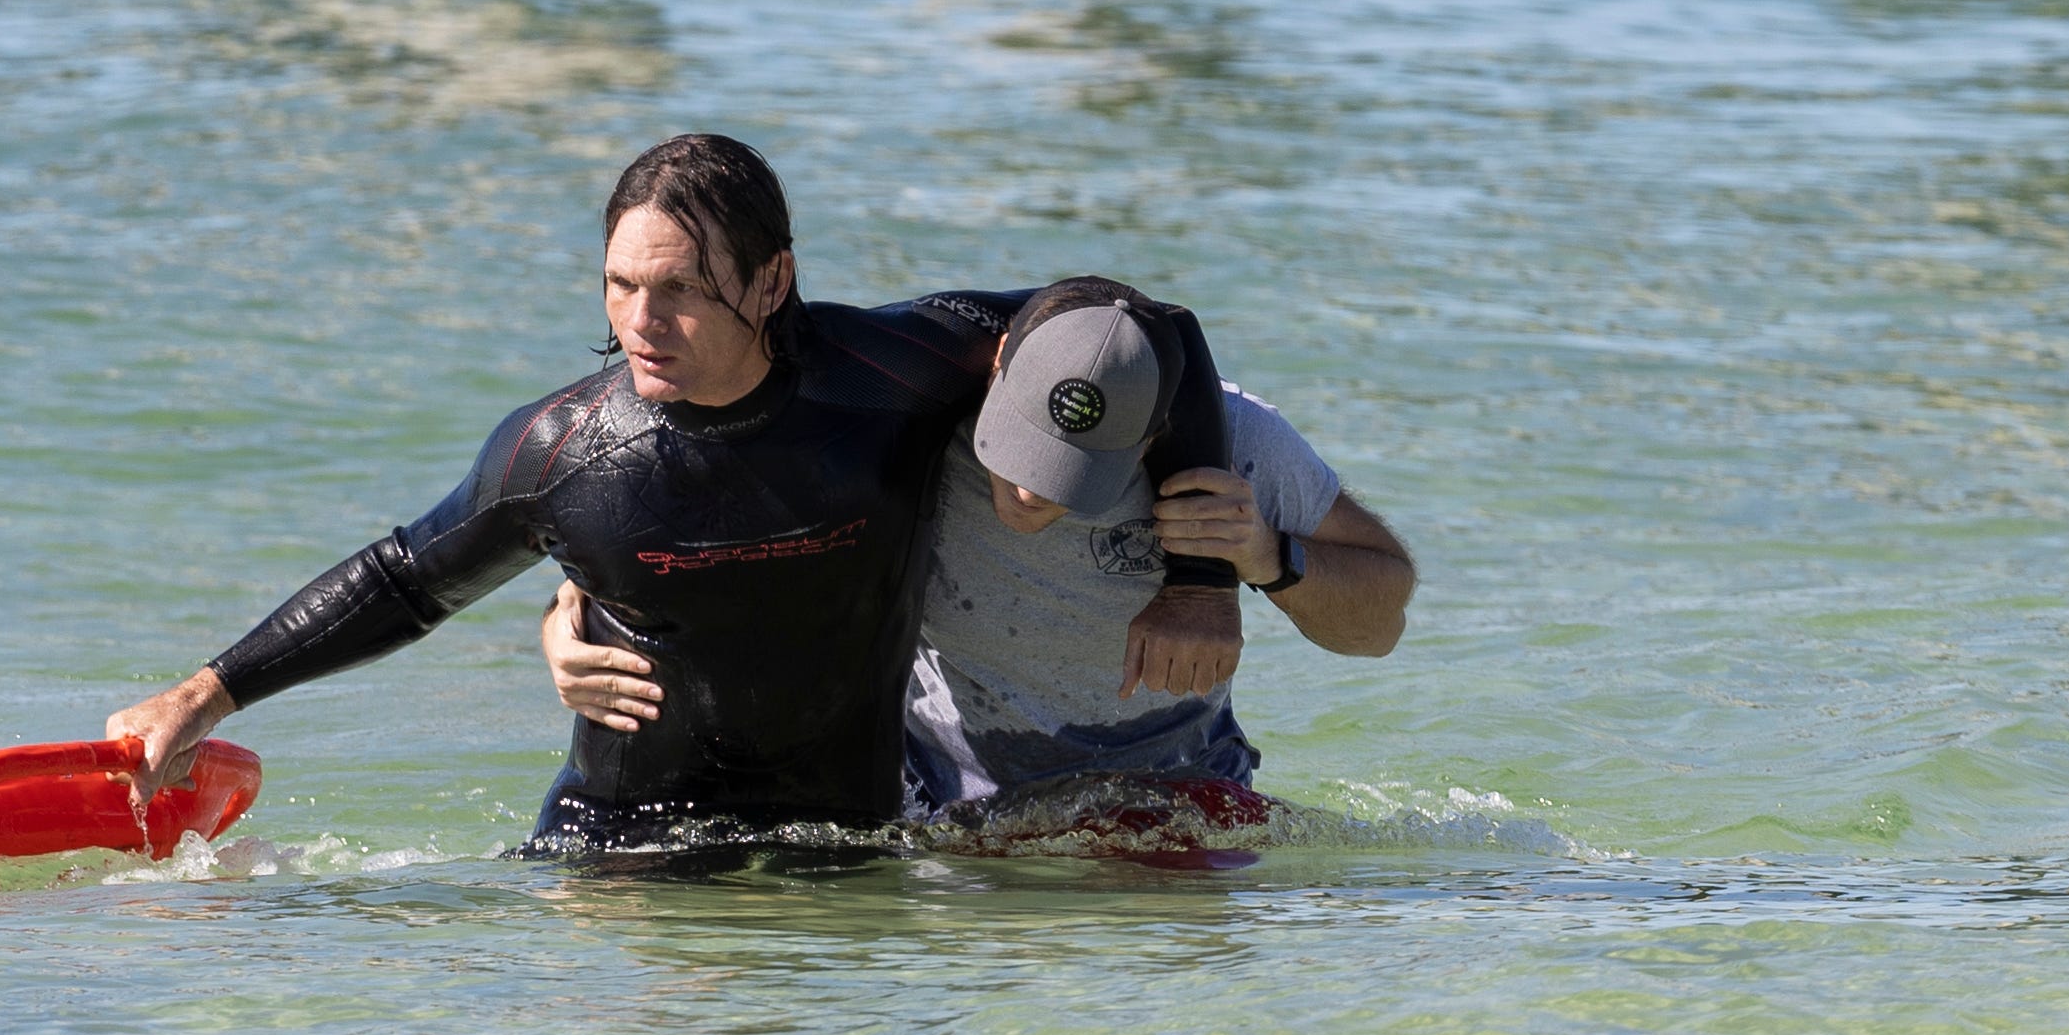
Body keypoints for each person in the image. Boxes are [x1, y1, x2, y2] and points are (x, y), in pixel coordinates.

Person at [105, 135, 1246, 852]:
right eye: (619, 286)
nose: (641, 324)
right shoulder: (564, 451)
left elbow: (1145, 327)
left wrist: (1199, 582)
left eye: (682, 291)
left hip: (850, 842)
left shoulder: (888, 375)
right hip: (621, 843)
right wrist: (202, 697)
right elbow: (406, 579)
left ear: (772, 279)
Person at [539, 274, 1416, 821]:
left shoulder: (1239, 445)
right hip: (944, 817)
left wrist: (1267, 557)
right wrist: (579, 607)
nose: (1030, 492)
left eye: (1076, 474)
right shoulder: (903, 427)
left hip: (1180, 800)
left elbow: (1381, 623)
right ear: (996, 369)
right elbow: (699, 504)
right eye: (1020, 449)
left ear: (1155, 431)